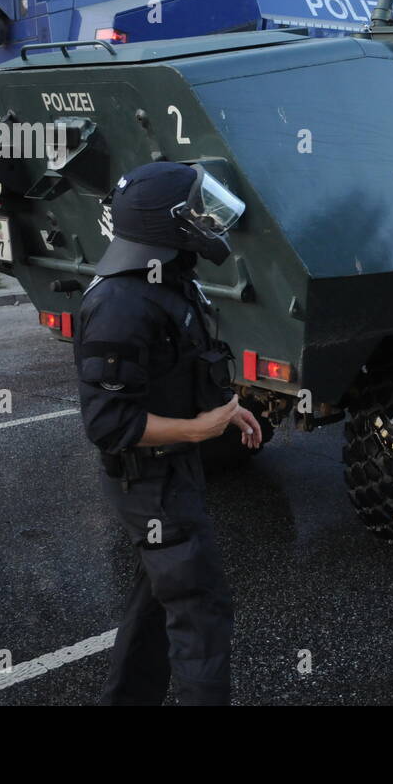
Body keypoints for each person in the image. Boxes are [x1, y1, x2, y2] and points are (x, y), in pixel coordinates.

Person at [74, 161, 262, 705]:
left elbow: (181, 367)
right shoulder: (120, 303)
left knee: (158, 597)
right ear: (163, 223)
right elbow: (110, 424)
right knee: (201, 612)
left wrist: (225, 410)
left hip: (170, 471)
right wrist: (200, 429)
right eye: (196, 212)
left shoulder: (165, 279)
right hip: (149, 483)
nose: (207, 221)